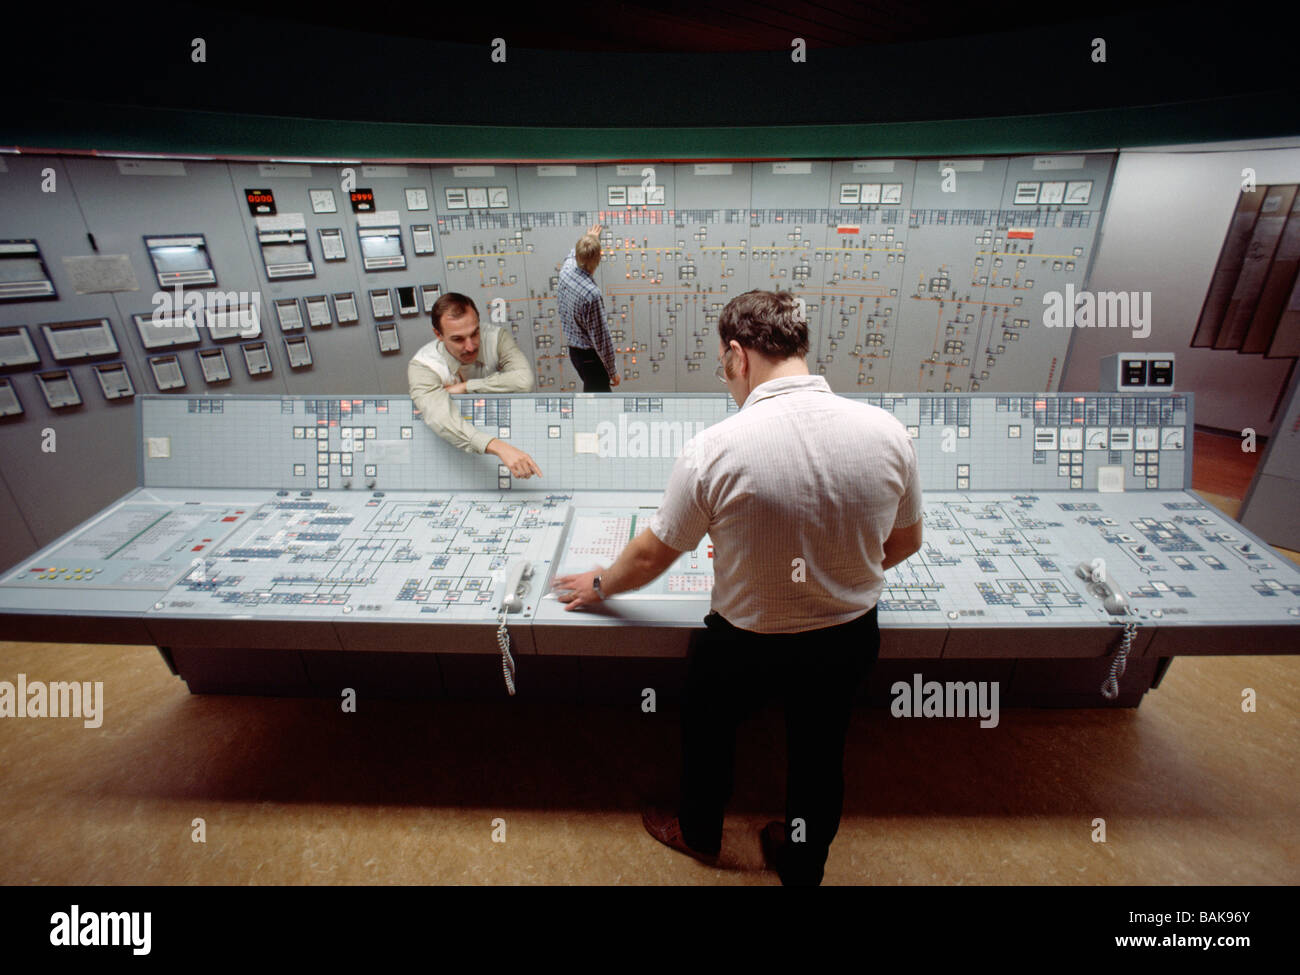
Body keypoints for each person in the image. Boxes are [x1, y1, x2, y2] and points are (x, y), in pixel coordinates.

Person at [551, 289, 924, 885]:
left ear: (737, 354)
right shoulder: (888, 432)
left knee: (709, 732)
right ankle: (802, 862)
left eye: (725, 366)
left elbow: (652, 553)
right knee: (819, 754)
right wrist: (836, 565)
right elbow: (905, 543)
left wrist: (600, 583)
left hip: (746, 645)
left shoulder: (716, 447)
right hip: (847, 639)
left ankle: (698, 832)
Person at [408, 292, 542, 479]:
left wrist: (466, 387)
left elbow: (523, 380)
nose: (470, 346)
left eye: (475, 333)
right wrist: (499, 447)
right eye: (458, 339)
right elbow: (441, 420)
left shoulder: (496, 338)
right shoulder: (424, 366)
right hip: (453, 453)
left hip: (502, 439)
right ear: (438, 334)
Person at [557, 222, 620, 392]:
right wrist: (612, 371)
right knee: (600, 404)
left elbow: (573, 255)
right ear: (598, 259)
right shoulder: (591, 295)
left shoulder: (566, 270)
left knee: (591, 395)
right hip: (591, 359)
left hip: (575, 354)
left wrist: (589, 239)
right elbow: (601, 338)